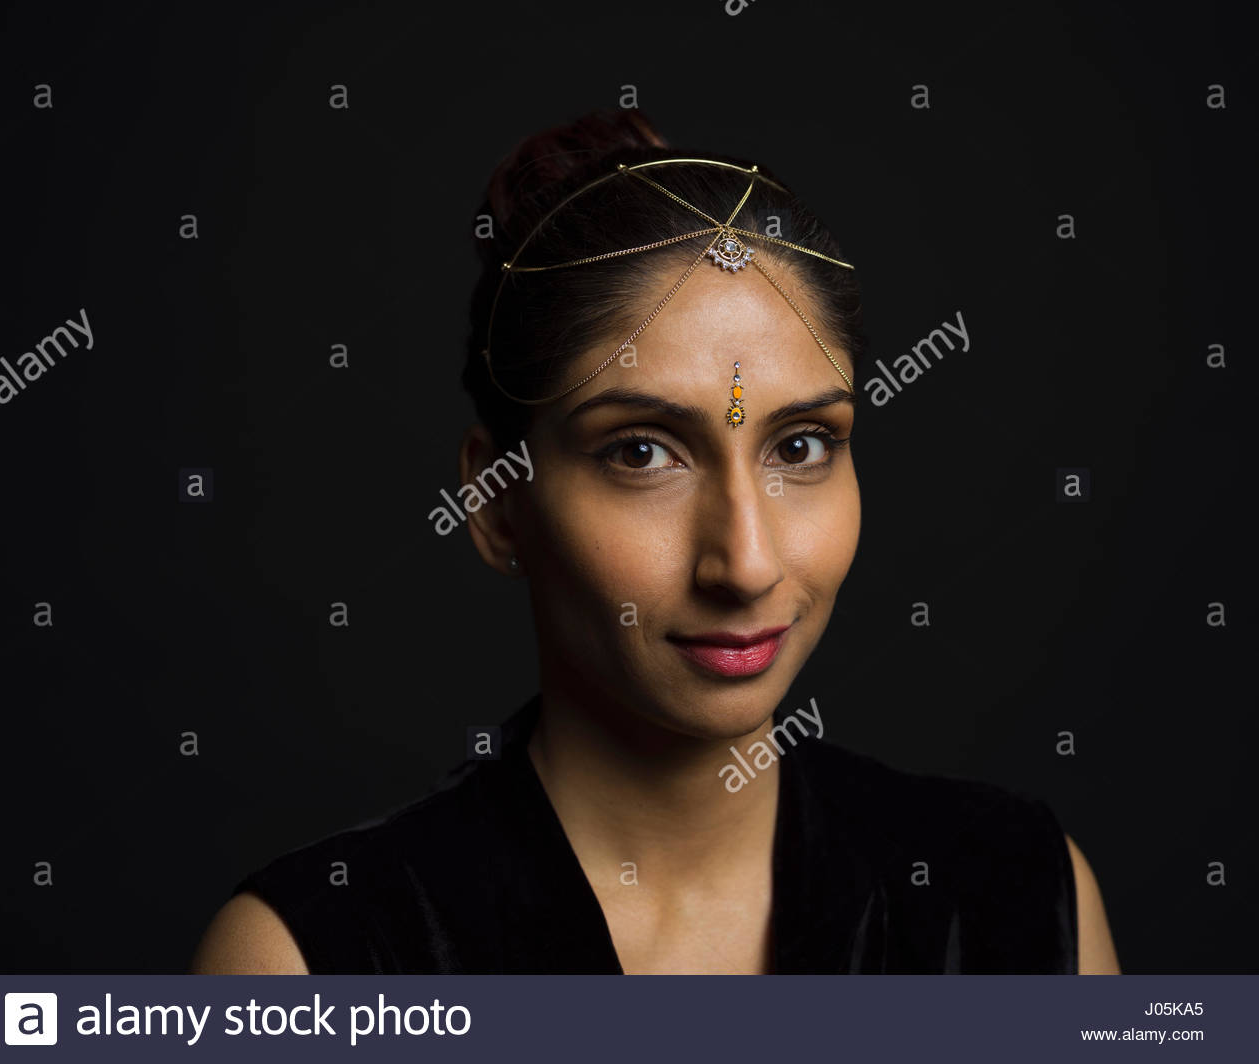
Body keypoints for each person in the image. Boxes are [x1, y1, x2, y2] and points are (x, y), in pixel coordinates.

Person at [191, 110, 1119, 975]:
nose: (747, 563)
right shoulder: (317, 959)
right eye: (642, 453)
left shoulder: (1018, 901)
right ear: (496, 501)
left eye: (800, 447)